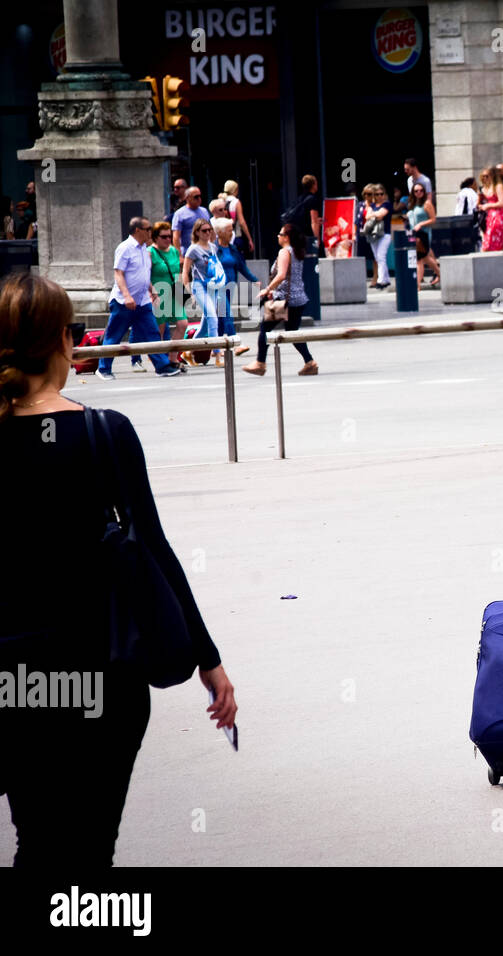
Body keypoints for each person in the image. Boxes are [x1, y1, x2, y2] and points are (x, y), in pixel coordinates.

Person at [0, 273, 237, 867]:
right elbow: (153, 549)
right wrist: (207, 659)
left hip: (12, 675)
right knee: (89, 845)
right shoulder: (105, 432)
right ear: (65, 340)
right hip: (104, 671)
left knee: (35, 836)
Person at [95, 218, 181, 380]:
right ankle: (103, 368)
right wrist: (127, 296)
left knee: (152, 333)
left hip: (142, 301)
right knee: (114, 335)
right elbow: (118, 273)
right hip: (123, 302)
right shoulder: (125, 248)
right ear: (137, 230)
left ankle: (162, 366)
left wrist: (152, 290)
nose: (150, 232)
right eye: (148, 229)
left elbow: (142, 274)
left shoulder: (144, 249)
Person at [244, 224, 317, 376]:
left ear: (286, 237)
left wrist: (268, 289)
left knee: (265, 329)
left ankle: (260, 363)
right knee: (292, 331)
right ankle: (310, 362)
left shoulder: (285, 252)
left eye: (280, 234)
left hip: (284, 300)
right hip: (298, 299)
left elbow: (282, 275)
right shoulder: (297, 251)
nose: (278, 236)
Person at [179, 218, 225, 366]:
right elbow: (185, 272)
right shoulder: (193, 249)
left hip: (212, 286)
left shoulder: (213, 247)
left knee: (206, 325)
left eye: (209, 230)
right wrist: (189, 292)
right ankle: (217, 354)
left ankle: (188, 351)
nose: (207, 233)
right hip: (199, 286)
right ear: (197, 232)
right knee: (212, 317)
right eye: (204, 230)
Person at [213, 217, 259, 356]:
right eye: (228, 230)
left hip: (230, 286)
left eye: (231, 230)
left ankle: (217, 347)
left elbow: (241, 267)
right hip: (218, 287)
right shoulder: (214, 249)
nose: (231, 233)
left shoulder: (233, 249)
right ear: (220, 233)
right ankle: (236, 343)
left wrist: (254, 280)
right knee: (227, 314)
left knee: (221, 318)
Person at [148, 220, 187, 364]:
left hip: (174, 291)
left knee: (182, 324)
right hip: (158, 293)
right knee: (160, 329)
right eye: (164, 237)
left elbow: (178, 271)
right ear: (155, 237)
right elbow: (145, 275)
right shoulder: (150, 252)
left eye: (169, 236)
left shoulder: (174, 251)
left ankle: (172, 358)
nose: (168, 239)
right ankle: (160, 361)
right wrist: (152, 292)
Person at [406, 181, 441, 289]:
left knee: (419, 259)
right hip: (413, 234)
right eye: (416, 191)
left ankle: (417, 285)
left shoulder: (427, 203)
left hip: (423, 234)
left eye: (421, 190)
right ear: (413, 192)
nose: (419, 193)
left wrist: (421, 224)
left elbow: (433, 219)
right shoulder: (412, 204)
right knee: (426, 258)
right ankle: (441, 275)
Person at [364, 184, 393, 288]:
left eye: (381, 194)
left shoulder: (387, 204)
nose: (379, 196)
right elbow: (367, 216)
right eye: (377, 194)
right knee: (377, 257)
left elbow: (381, 214)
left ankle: (381, 280)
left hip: (385, 234)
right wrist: (375, 215)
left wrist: (374, 215)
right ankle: (386, 278)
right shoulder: (372, 205)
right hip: (373, 234)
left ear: (384, 194)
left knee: (381, 256)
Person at [170, 187, 210, 254]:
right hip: (188, 252)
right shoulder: (179, 214)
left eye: (200, 196)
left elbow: (210, 231)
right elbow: (176, 236)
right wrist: (179, 255)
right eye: (196, 197)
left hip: (205, 252)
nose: (199, 199)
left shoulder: (204, 211)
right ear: (187, 198)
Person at [223, 180, 254, 256]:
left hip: (223, 237)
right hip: (236, 236)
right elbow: (241, 222)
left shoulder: (221, 201)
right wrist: (249, 239)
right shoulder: (236, 202)